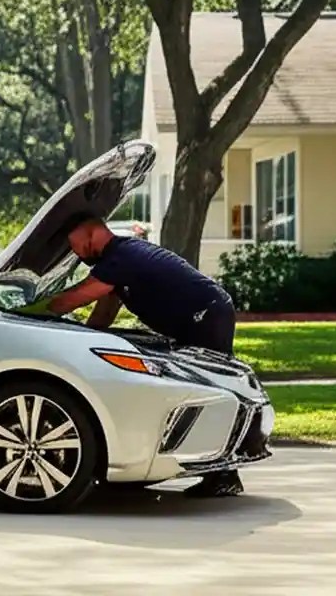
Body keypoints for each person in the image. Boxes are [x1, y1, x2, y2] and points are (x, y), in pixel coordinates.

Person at [44, 213, 244, 498]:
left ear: (89, 234)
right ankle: (217, 471)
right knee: (206, 389)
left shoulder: (120, 259)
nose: (73, 252)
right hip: (207, 311)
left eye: (72, 244)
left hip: (206, 313)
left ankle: (224, 475)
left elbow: (72, 299)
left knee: (210, 392)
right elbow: (103, 315)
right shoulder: (116, 262)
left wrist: (36, 312)